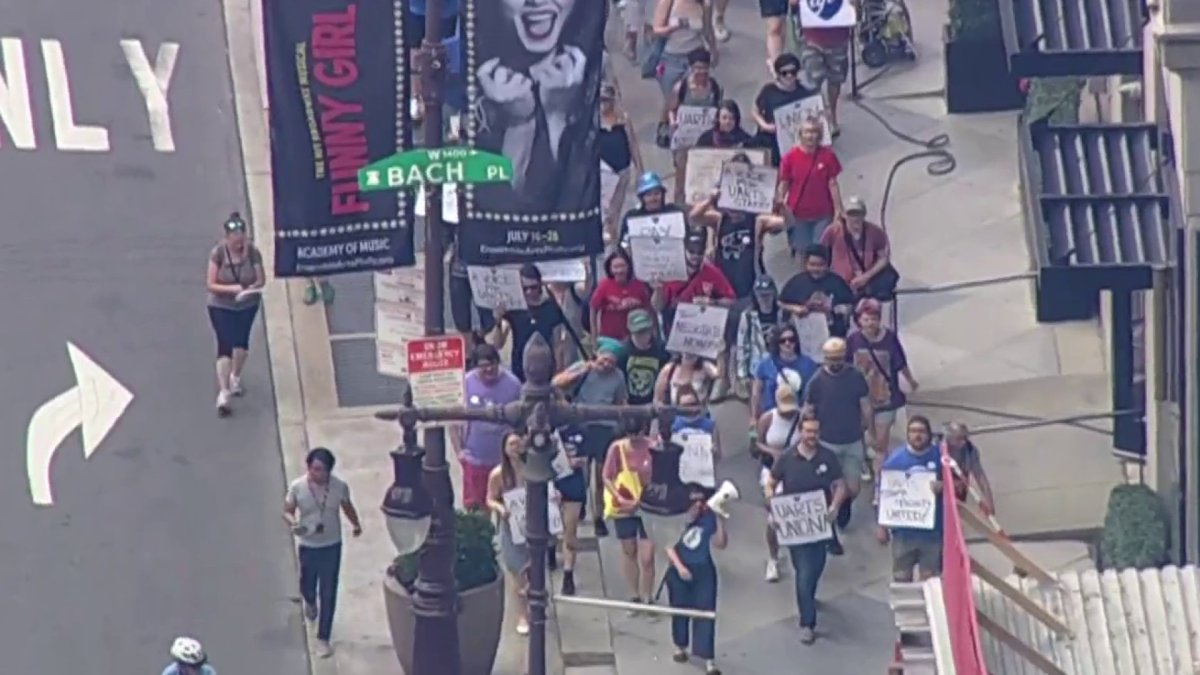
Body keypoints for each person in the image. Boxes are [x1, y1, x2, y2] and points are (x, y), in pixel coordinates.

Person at [473, 0, 595, 211]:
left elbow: (575, 200)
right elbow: (495, 212)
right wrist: (519, 127)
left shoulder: (592, 77)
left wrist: (556, 117)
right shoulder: (470, 81)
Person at [690, 154, 787, 395]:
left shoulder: (757, 220)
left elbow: (785, 223)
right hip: (723, 285)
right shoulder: (719, 218)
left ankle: (744, 378)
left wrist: (779, 203)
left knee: (746, 334)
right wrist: (710, 198)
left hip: (748, 284)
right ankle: (723, 378)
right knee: (722, 336)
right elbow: (694, 216)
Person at [765, 415, 848, 644]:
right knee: (803, 572)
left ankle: (808, 596)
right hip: (795, 526)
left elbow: (840, 485)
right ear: (801, 432)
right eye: (808, 431)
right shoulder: (787, 458)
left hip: (820, 525)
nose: (812, 436)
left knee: (816, 566)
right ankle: (807, 622)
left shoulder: (827, 457)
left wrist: (834, 506)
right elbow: (771, 482)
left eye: (815, 432)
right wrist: (773, 505)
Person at [283, 447, 364, 657]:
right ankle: (310, 602)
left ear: (329, 470)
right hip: (308, 544)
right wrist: (294, 524)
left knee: (328, 591)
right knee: (307, 584)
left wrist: (355, 524)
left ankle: (323, 637)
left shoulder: (339, 487)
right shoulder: (298, 487)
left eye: (320, 470)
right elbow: (287, 510)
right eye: (313, 469)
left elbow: (347, 506)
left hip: (331, 544)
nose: (316, 474)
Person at [553, 338, 629, 536]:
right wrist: (583, 369)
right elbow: (557, 383)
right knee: (582, 471)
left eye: (611, 362)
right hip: (581, 423)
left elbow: (621, 400)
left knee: (601, 474)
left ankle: (599, 515)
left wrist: (621, 424)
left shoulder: (618, 376)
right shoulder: (584, 367)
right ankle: (580, 505)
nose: (606, 365)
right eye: (603, 361)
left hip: (605, 426)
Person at [802, 337, 870, 552]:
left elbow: (865, 405)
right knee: (830, 488)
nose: (835, 363)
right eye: (831, 359)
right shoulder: (816, 382)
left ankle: (845, 504)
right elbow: (809, 410)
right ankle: (831, 532)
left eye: (838, 359)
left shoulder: (855, 377)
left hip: (852, 440)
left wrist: (865, 429)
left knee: (853, 487)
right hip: (827, 442)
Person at [847, 299, 917, 477]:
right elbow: (846, 366)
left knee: (881, 441)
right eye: (866, 319)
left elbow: (900, 361)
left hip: (886, 398)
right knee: (866, 435)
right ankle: (866, 460)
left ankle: (880, 480)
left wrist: (910, 380)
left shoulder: (889, 338)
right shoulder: (853, 340)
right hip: (861, 398)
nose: (870, 323)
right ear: (859, 321)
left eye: (874, 319)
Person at [205, 212, 265, 417]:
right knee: (225, 344)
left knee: (242, 344)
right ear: (227, 238)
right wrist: (232, 289)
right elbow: (211, 284)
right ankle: (224, 392)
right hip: (221, 305)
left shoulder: (253, 253)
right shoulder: (218, 253)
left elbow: (261, 279)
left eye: (242, 239)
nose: (239, 244)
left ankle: (235, 376)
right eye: (235, 239)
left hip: (247, 304)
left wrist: (249, 288)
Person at [664, 482, 727, 675]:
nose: (698, 505)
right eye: (694, 501)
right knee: (680, 610)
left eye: (701, 500)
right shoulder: (677, 516)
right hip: (679, 568)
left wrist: (720, 518)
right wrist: (680, 567)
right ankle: (680, 646)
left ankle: (708, 658)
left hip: (703, 569)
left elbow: (720, 544)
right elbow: (668, 544)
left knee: (706, 612)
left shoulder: (708, 517)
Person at [660, 232, 737, 385]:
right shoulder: (671, 271)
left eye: (699, 252)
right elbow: (659, 306)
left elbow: (731, 300)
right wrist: (656, 290)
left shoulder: (712, 272)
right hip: (677, 335)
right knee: (675, 373)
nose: (695, 256)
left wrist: (712, 302)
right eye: (691, 252)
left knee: (707, 375)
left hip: (702, 336)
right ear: (684, 251)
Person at [452, 344, 523, 509]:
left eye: (492, 365)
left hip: (504, 462)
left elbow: (521, 420)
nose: (489, 370)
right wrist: (459, 451)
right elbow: (454, 419)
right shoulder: (465, 383)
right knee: (476, 510)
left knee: (508, 508)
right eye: (483, 367)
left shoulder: (514, 384)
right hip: (475, 459)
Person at [877, 416, 945, 581]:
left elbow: (958, 485)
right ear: (907, 434)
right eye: (913, 431)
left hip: (933, 532)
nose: (917, 435)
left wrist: (944, 486)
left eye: (921, 431)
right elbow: (882, 493)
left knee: (930, 581)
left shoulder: (941, 457)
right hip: (903, 534)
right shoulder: (894, 461)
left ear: (929, 434)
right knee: (901, 577)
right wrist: (882, 526)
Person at [602, 420, 656, 609]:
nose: (633, 439)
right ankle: (634, 595)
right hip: (625, 507)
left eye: (636, 434)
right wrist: (618, 497)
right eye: (630, 434)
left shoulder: (653, 447)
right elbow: (607, 476)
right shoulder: (617, 448)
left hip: (648, 506)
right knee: (629, 550)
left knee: (647, 556)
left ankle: (648, 597)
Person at [652, 0, 718, 148]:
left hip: (694, 56)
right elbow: (656, 29)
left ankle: (690, 132)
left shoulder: (704, 4)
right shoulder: (669, 2)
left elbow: (707, 29)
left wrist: (713, 50)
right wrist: (674, 26)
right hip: (670, 57)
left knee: (690, 94)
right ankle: (665, 125)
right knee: (671, 96)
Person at [486, 431, 533, 635]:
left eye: (518, 443)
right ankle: (522, 614)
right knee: (517, 574)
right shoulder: (498, 474)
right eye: (511, 444)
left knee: (533, 571)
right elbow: (489, 498)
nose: (516, 447)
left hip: (531, 526)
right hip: (511, 526)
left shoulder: (531, 468)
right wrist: (500, 509)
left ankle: (534, 605)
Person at [754, 383, 802, 582]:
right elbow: (755, 443)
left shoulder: (801, 420)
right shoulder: (768, 419)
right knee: (774, 515)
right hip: (772, 471)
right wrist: (771, 452)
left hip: (796, 471)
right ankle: (773, 557)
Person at [776, 119, 844, 257]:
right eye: (807, 131)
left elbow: (833, 184)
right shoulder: (790, 158)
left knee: (819, 252)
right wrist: (779, 204)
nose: (810, 136)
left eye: (814, 132)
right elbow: (784, 183)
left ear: (819, 135)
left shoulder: (828, 156)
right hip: (797, 214)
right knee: (803, 252)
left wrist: (838, 210)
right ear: (800, 134)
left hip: (823, 214)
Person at [491, 263, 568, 382]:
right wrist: (498, 322)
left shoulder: (550, 307)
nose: (529, 292)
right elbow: (498, 344)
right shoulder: (514, 308)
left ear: (540, 285)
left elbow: (558, 343)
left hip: (546, 366)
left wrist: (559, 369)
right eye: (524, 288)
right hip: (519, 366)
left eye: (533, 287)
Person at [668, 48, 722, 202]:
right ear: (691, 68)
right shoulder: (681, 87)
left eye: (704, 68)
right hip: (685, 143)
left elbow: (717, 111)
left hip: (705, 143)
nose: (701, 72)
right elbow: (671, 110)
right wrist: (674, 125)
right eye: (698, 68)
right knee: (681, 180)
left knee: (704, 179)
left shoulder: (715, 88)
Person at [819, 196, 894, 301]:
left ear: (864, 214)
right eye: (851, 214)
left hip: (868, 282)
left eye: (858, 213)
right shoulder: (833, 231)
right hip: (841, 282)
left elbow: (883, 258)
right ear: (844, 215)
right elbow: (820, 254)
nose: (855, 217)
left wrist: (866, 277)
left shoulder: (875, 232)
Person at [779, 244, 856, 339]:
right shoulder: (796, 282)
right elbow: (780, 303)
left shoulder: (837, 282)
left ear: (827, 264)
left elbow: (850, 306)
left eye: (820, 265)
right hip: (802, 335)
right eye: (812, 264)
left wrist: (837, 309)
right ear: (806, 264)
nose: (816, 269)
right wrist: (794, 308)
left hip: (832, 336)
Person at [752, 54, 817, 165]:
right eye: (784, 73)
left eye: (793, 72)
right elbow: (755, 111)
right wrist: (765, 126)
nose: (789, 76)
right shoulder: (769, 91)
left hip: (796, 142)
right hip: (771, 139)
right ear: (778, 74)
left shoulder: (805, 94)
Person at [600, 83, 644, 243]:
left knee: (616, 208)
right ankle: (604, 234)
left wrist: (640, 169)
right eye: (600, 101)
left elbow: (632, 143)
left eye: (606, 100)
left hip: (622, 170)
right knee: (604, 207)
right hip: (602, 171)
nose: (603, 104)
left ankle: (613, 238)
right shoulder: (591, 120)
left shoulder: (623, 118)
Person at [553, 427, 591, 595]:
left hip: (572, 484)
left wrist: (573, 462)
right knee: (549, 527)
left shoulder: (579, 428)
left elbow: (585, 457)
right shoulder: (543, 428)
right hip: (549, 483)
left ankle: (568, 574)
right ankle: (550, 549)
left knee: (570, 531)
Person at [590, 247, 656, 343]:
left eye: (622, 266)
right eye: (616, 267)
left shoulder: (639, 285)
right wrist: (594, 336)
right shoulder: (604, 285)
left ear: (629, 266)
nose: (619, 271)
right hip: (610, 339)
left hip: (636, 338)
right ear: (610, 269)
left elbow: (649, 310)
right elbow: (593, 308)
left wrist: (653, 334)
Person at [799, 23, 852, 136]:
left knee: (835, 79)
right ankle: (823, 118)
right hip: (811, 38)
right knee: (813, 82)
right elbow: (792, 4)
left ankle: (831, 115)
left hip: (838, 38)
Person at [735, 276, 782, 401]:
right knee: (757, 401)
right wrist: (742, 374)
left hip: (778, 364)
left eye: (767, 295)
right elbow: (742, 344)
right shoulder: (748, 315)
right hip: (756, 366)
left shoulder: (782, 314)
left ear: (774, 294)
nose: (764, 299)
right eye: (761, 295)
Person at [671, 385, 722, 487]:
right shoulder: (673, 426)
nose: (689, 409)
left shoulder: (709, 425)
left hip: (705, 479)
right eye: (685, 406)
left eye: (692, 404)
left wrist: (714, 451)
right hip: (681, 479)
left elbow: (719, 455)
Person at [619, 171, 687, 247]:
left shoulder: (675, 212)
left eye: (657, 193)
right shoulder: (632, 217)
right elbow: (623, 244)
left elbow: (686, 238)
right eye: (648, 195)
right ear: (642, 198)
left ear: (662, 194)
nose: (653, 198)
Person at [620, 309, 673, 405]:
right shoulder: (623, 351)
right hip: (629, 405)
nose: (642, 337)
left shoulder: (662, 351)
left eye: (645, 332)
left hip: (653, 404)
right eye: (638, 333)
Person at [944, 422, 995, 515]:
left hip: (960, 489)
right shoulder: (939, 449)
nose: (963, 442)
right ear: (949, 439)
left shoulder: (970, 450)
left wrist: (989, 501)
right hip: (941, 488)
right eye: (959, 439)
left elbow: (980, 477)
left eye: (965, 438)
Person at [656, 351, 721, 405]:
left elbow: (721, 376)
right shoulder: (669, 369)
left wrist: (721, 353)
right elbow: (658, 399)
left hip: (698, 414)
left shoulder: (705, 367)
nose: (689, 353)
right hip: (675, 415)